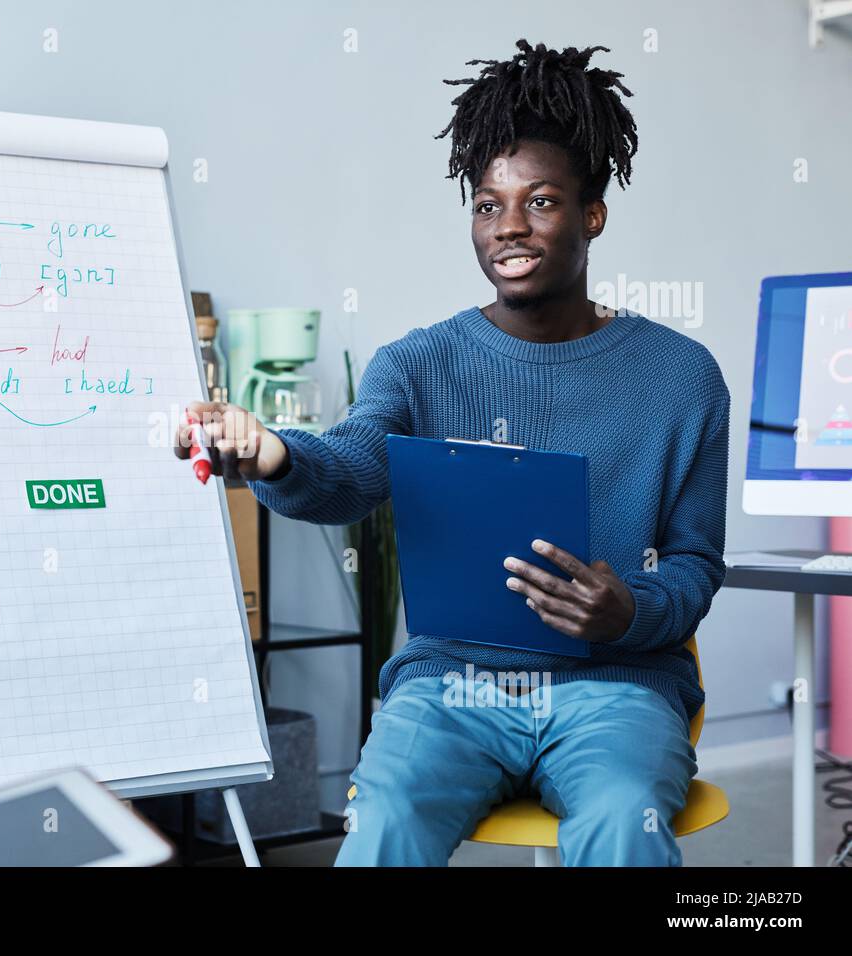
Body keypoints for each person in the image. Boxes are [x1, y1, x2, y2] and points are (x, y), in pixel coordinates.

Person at [174, 40, 729, 866]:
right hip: (451, 687)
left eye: (540, 200)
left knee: (622, 821)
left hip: (618, 689)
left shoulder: (681, 376)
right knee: (386, 816)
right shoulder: (420, 363)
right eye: (486, 204)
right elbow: (355, 468)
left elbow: (693, 563)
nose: (508, 225)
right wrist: (277, 457)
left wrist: (632, 612)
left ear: (593, 214)